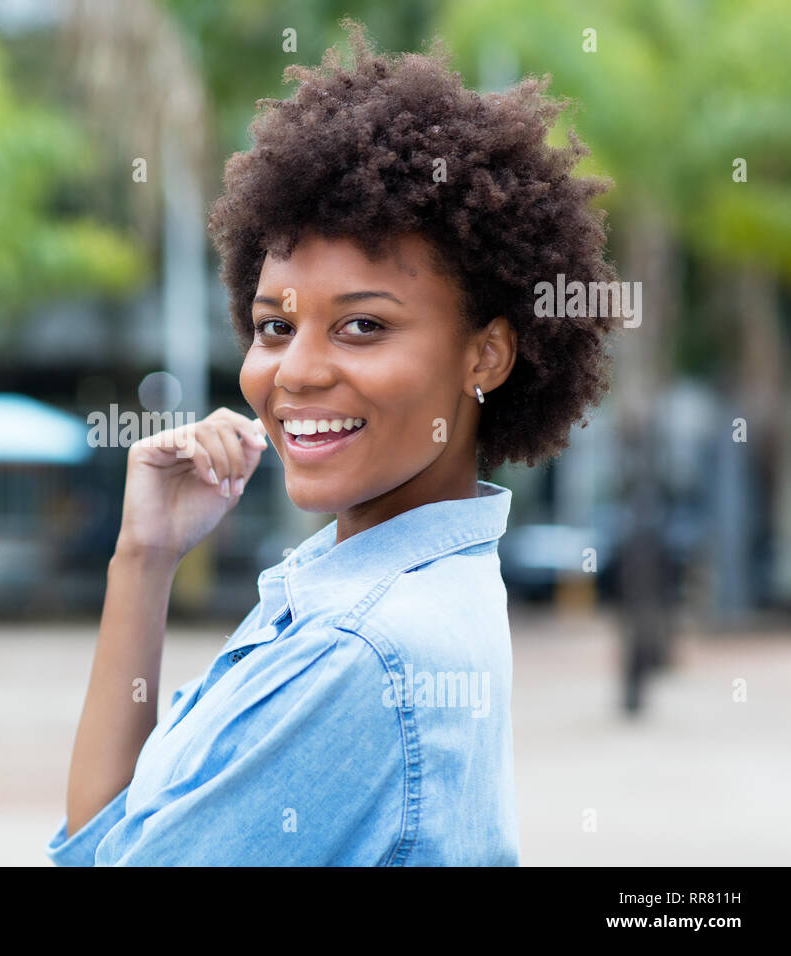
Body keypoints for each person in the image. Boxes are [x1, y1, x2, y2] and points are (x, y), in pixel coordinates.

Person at [46, 18, 618, 865]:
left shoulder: (360, 654)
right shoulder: (410, 590)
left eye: (360, 325)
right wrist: (144, 558)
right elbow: (108, 841)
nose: (296, 373)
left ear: (485, 354)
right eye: (274, 326)